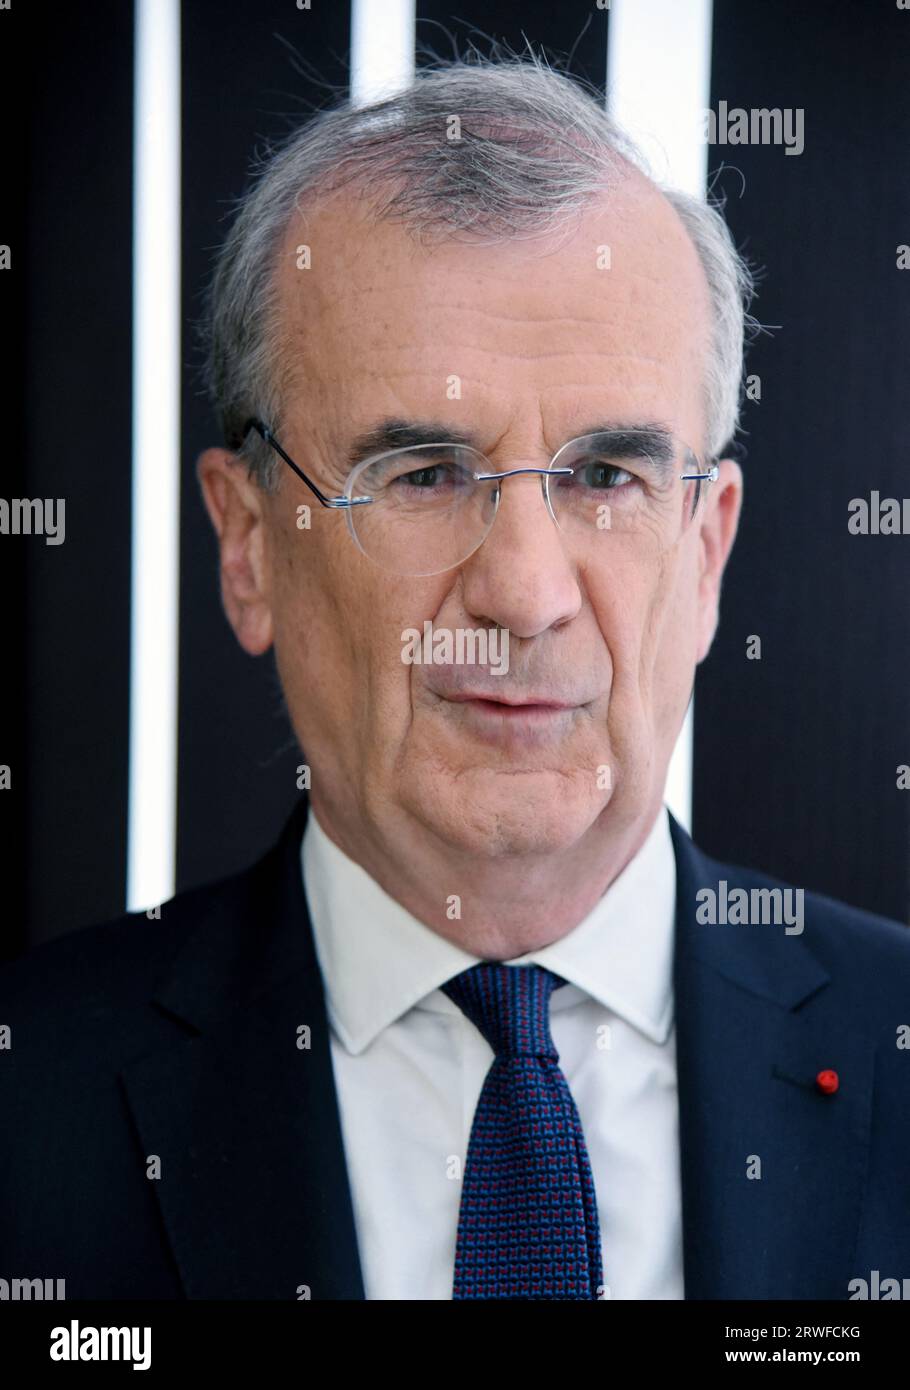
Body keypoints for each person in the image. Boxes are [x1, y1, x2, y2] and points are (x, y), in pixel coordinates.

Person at [3, 57, 909, 1302]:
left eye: (606, 477)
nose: (525, 594)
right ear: (250, 545)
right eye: (423, 474)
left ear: (705, 555)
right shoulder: (28, 1095)